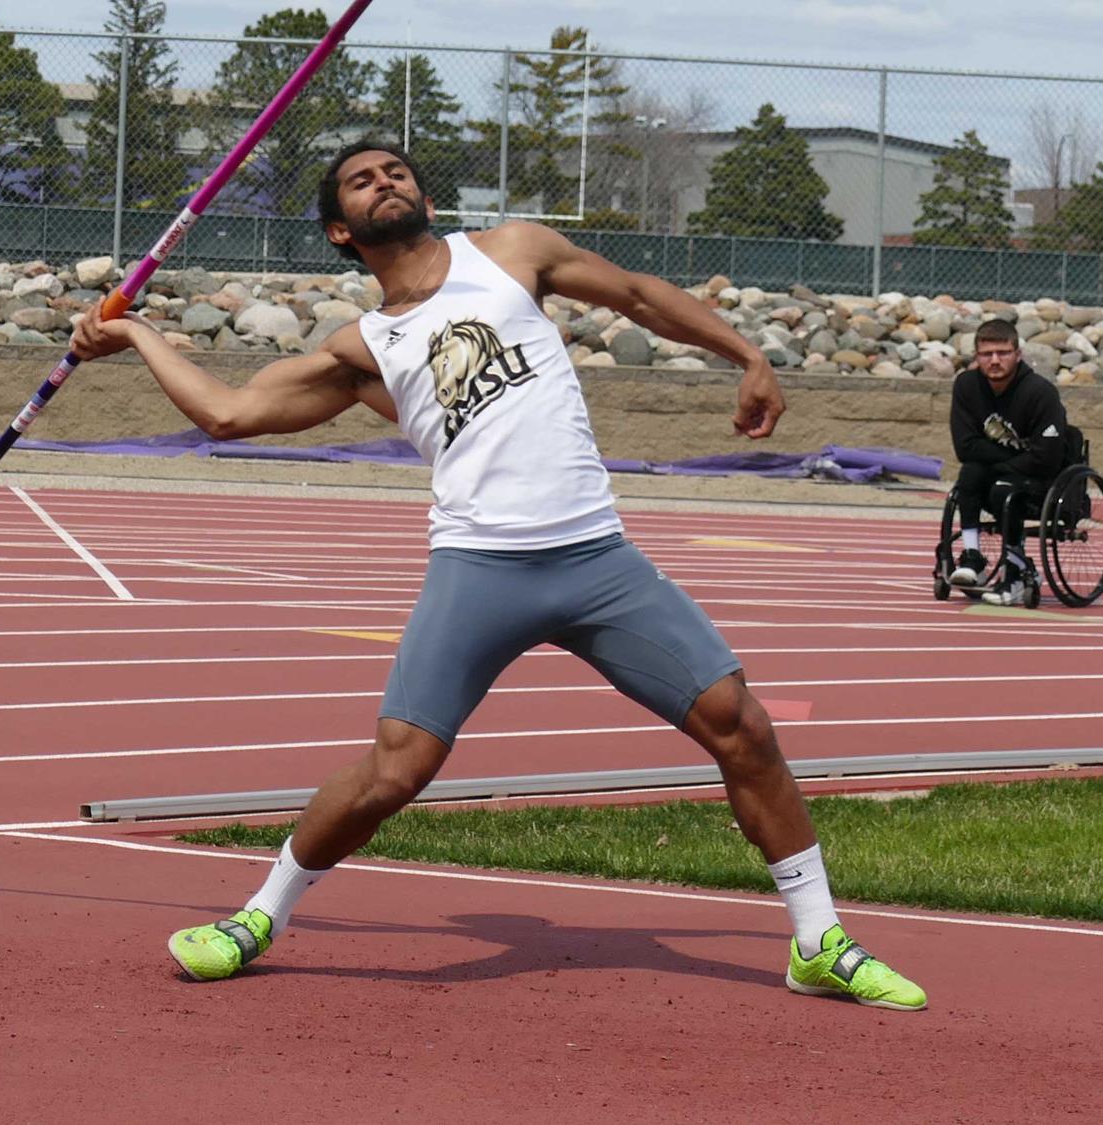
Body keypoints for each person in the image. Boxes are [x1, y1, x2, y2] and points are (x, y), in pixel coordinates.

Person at [69, 140, 927, 1012]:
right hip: (479, 569)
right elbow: (227, 412)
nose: (384, 181)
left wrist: (746, 355)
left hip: (596, 559)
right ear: (339, 230)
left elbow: (636, 295)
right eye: (361, 181)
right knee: (395, 772)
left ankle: (819, 941)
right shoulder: (364, 348)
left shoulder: (512, 251)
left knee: (742, 725)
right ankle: (256, 917)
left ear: (424, 195)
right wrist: (136, 333)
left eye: (396, 171)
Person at [946, 320, 1070, 606]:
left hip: (1039, 478)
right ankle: (973, 557)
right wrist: (1008, 461)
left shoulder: (1040, 392)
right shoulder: (967, 385)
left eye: (1002, 353)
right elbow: (965, 447)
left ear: (1018, 354)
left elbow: (1046, 456)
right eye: (986, 354)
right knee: (970, 473)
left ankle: (1015, 574)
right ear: (976, 356)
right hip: (1001, 470)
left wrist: (998, 462)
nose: (994, 360)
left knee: (1004, 489)